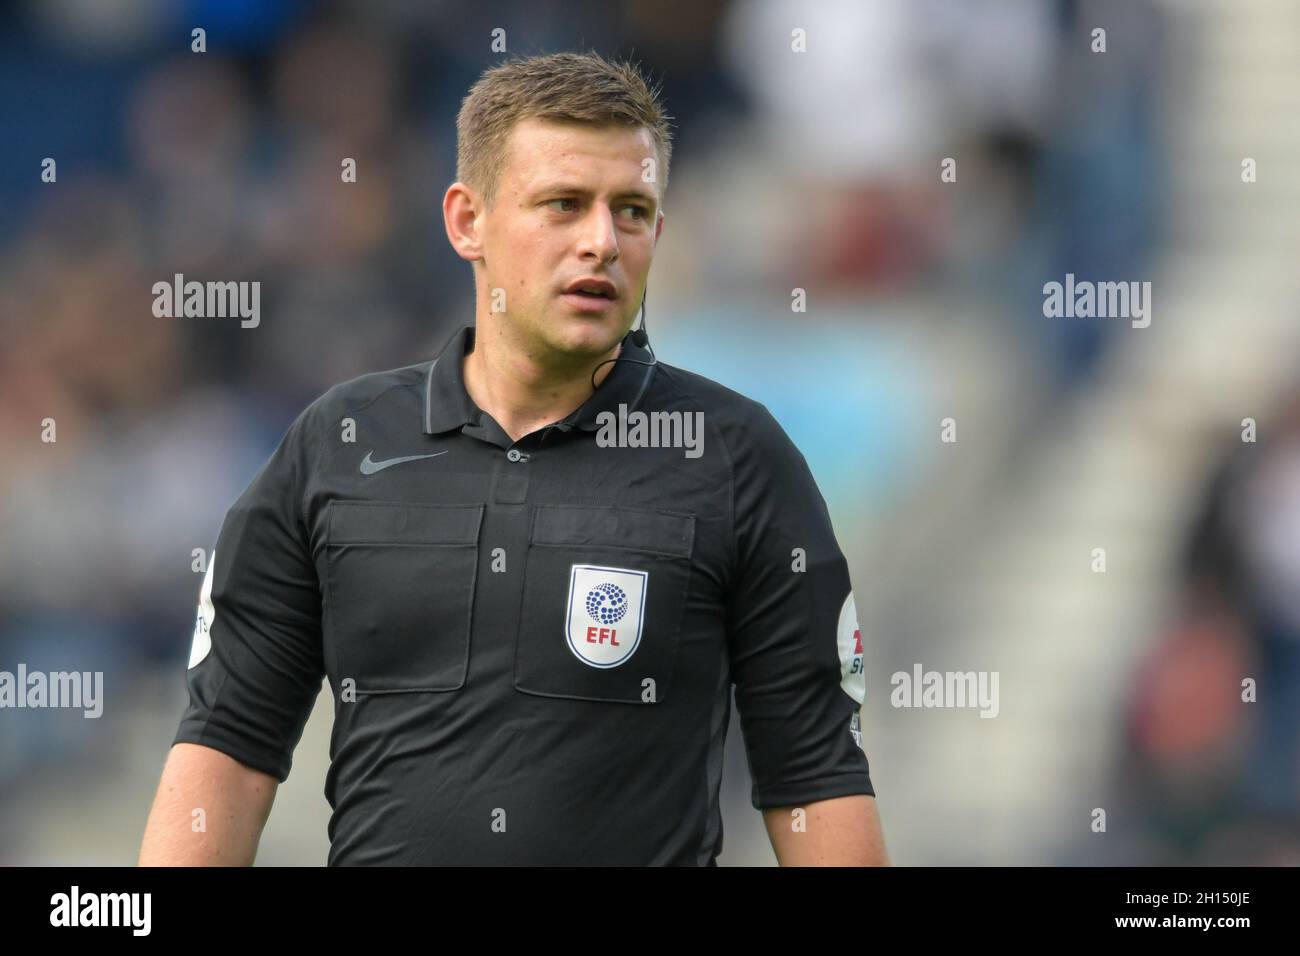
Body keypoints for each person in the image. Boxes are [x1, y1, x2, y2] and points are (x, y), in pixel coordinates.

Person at [139, 50, 888, 866]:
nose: (601, 242)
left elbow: (817, 778)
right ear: (468, 221)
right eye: (564, 205)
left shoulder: (739, 458)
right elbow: (227, 750)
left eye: (632, 211)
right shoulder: (337, 446)